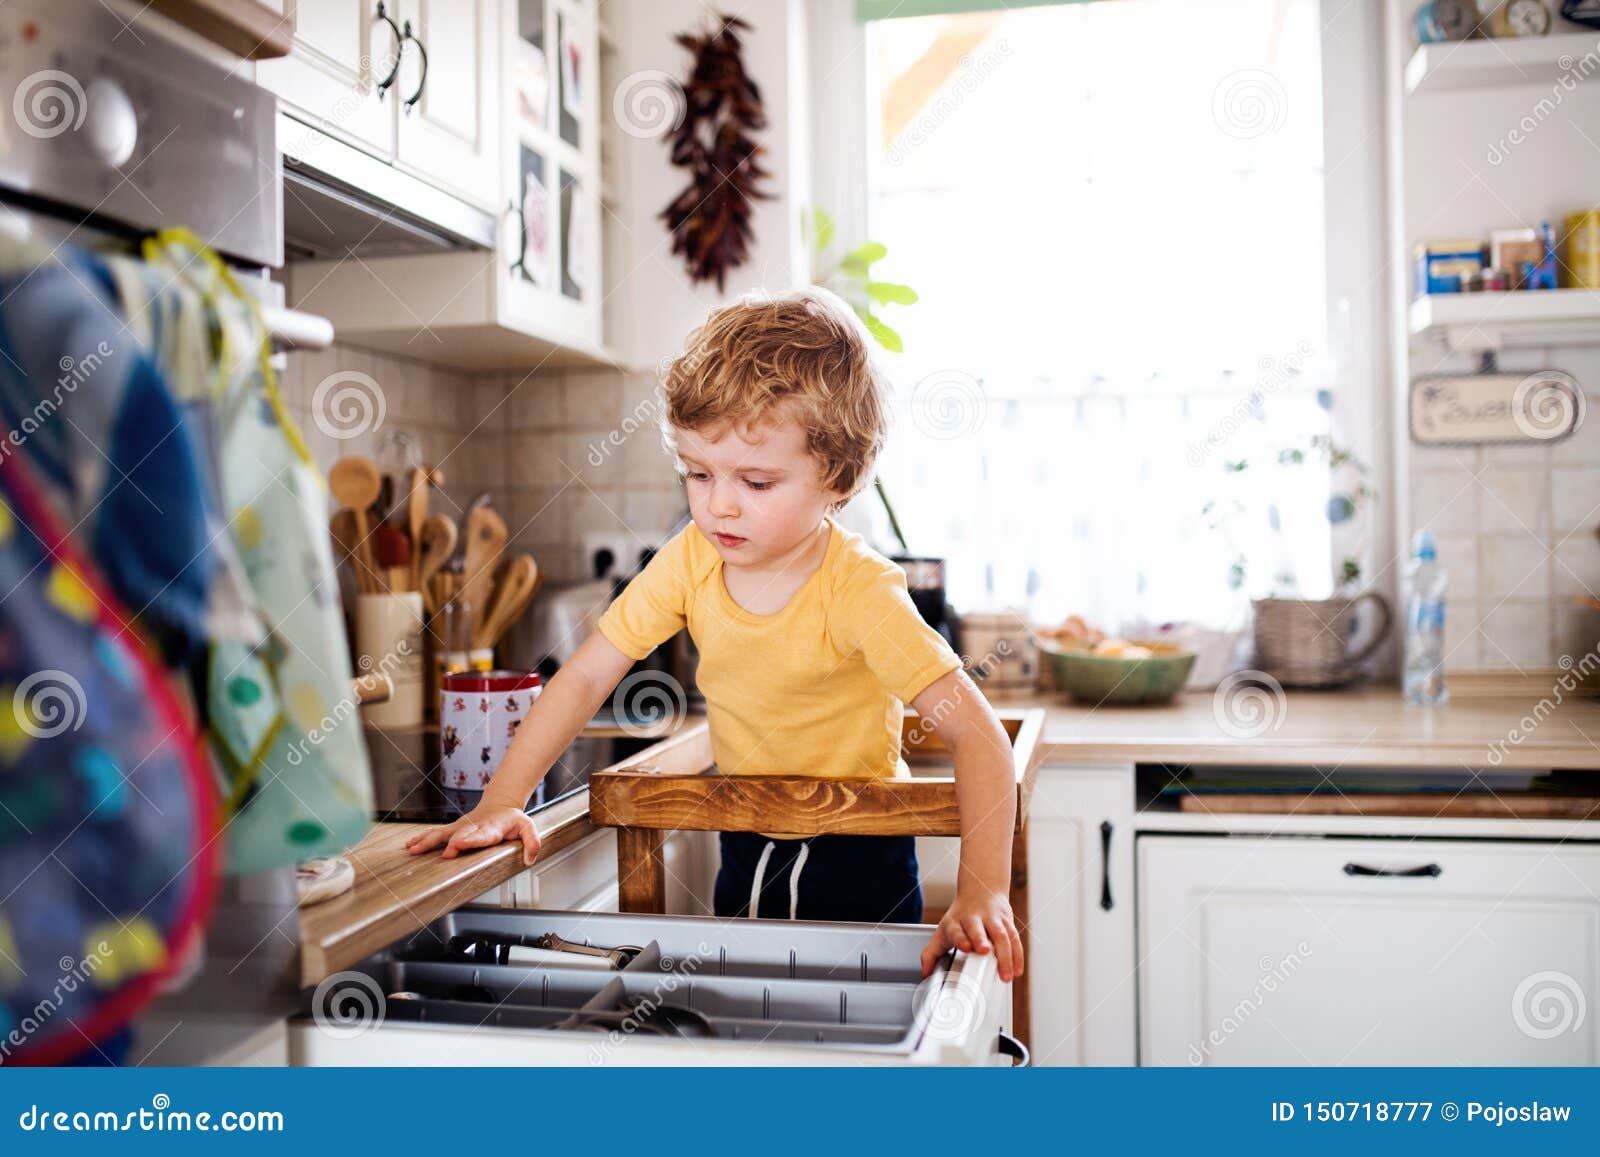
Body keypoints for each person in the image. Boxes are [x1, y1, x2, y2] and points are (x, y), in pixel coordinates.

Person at [407, 287, 1024, 982]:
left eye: (756, 482)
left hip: (861, 857)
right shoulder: (690, 560)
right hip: (743, 841)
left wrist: (982, 890)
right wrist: (502, 799)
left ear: (838, 478)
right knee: (746, 1022)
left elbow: (979, 736)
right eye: (698, 473)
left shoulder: (861, 590)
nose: (718, 502)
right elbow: (584, 675)